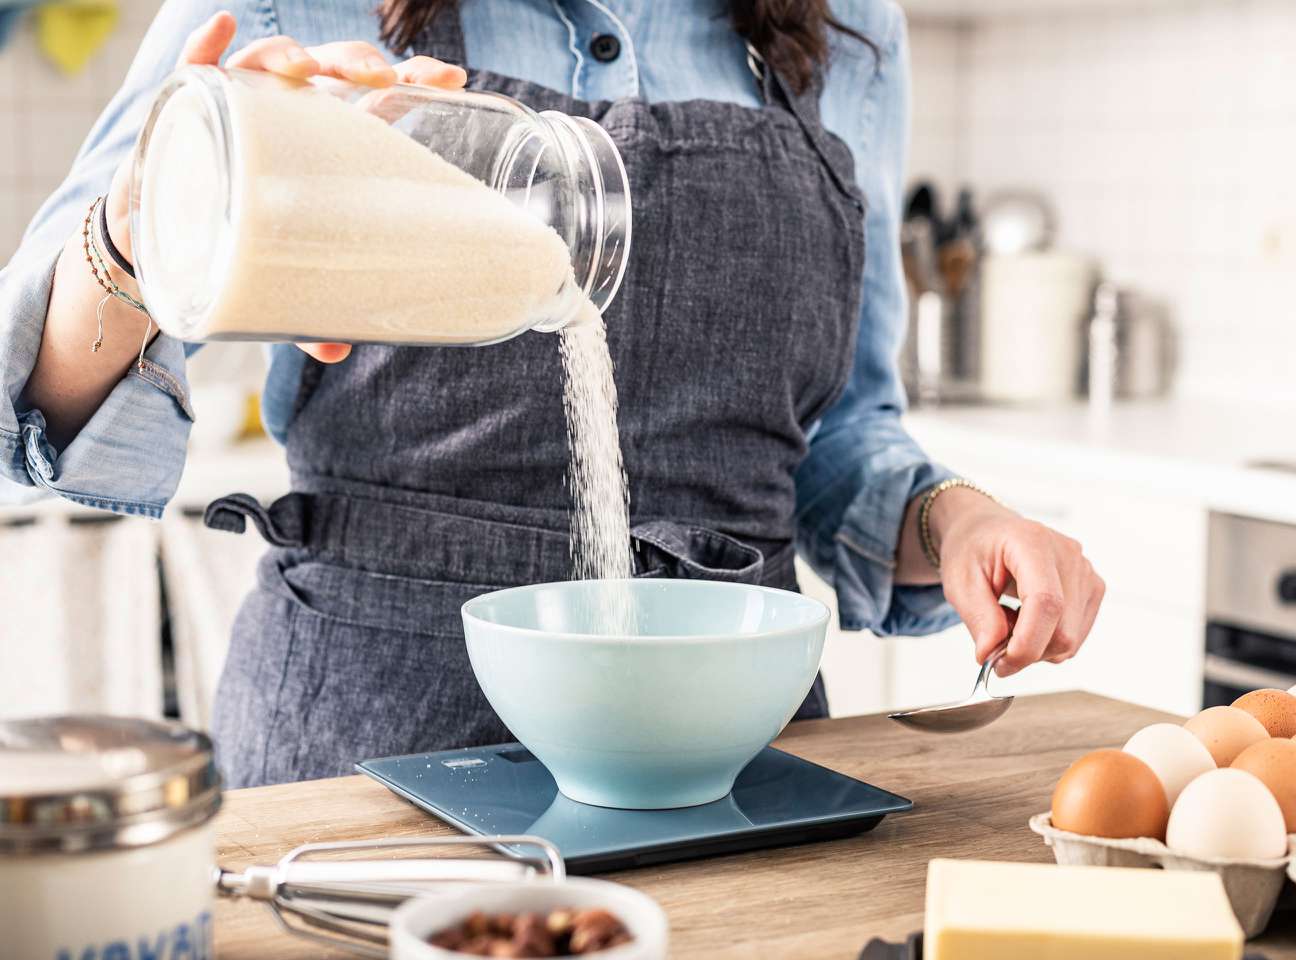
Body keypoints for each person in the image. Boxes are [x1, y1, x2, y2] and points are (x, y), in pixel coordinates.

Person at [0, 0, 1105, 788]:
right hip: (363, 752)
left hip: (728, 759)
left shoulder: (852, 29)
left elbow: (838, 438)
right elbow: (30, 398)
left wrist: (953, 518)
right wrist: (134, 248)